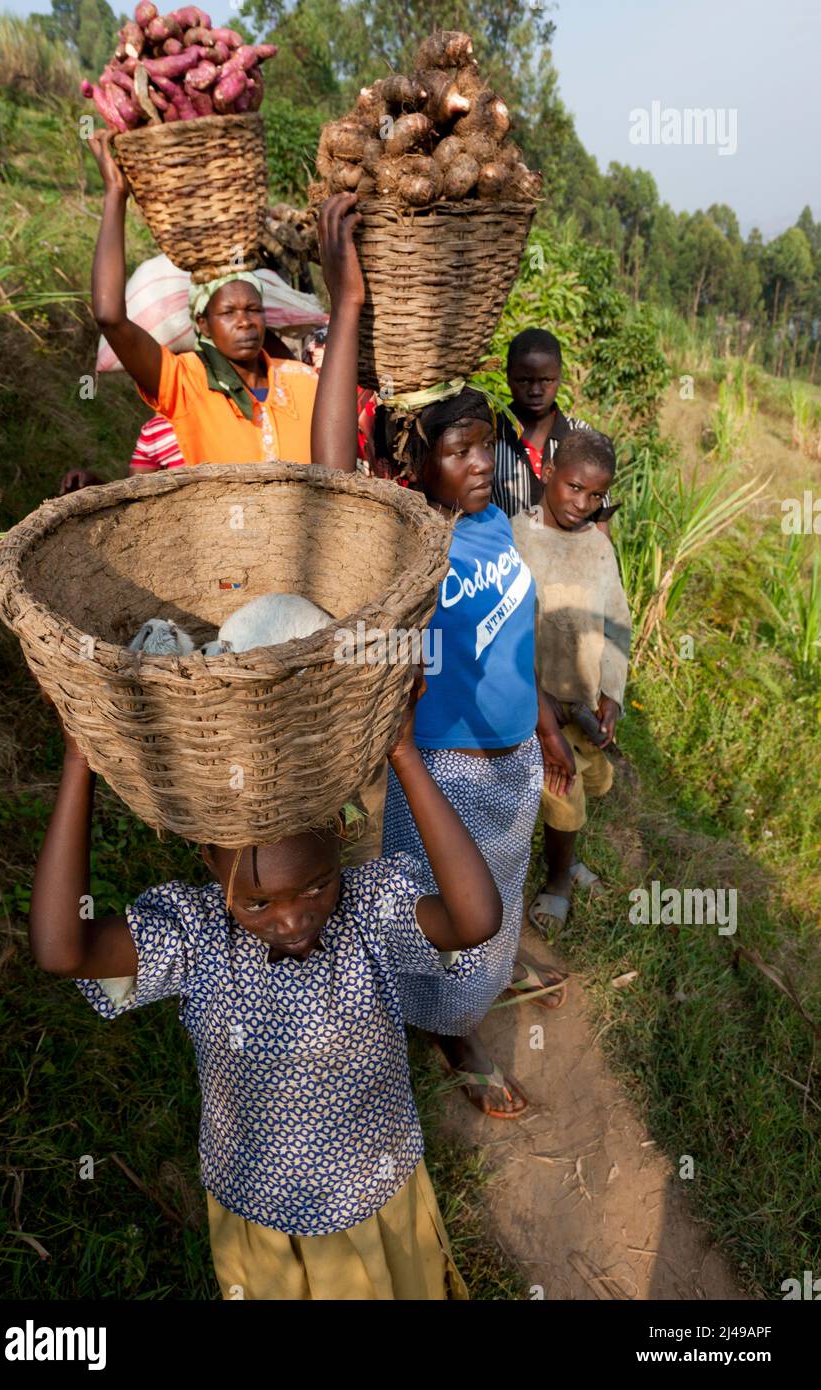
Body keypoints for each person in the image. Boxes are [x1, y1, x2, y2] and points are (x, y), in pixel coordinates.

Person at [28, 679, 503, 1301]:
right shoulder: (194, 936)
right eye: (256, 902)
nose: (293, 919)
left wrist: (405, 756)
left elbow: (476, 920)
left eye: (315, 887)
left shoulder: (368, 910)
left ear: (339, 841)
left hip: (375, 1185)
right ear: (207, 861)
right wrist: (77, 764)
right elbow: (64, 951)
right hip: (259, 1201)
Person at [312, 193, 577, 1120]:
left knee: (490, 904)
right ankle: (439, 1029)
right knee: (440, 920)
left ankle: (462, 1004)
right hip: (446, 774)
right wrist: (349, 307)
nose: (477, 466)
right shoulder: (408, 538)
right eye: (457, 453)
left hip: (508, 769)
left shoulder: (497, 523)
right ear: (415, 467)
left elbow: (516, 630)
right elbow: (329, 478)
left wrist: (544, 719)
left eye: (483, 449)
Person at [83, 130, 339, 478]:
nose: (246, 322)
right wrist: (115, 195)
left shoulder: (303, 381)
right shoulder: (184, 383)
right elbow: (110, 317)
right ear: (202, 323)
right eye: (228, 313)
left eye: (253, 310)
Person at [511, 430, 632, 934]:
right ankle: (557, 879)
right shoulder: (518, 536)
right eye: (574, 488)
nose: (582, 504)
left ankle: (568, 858)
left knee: (584, 786)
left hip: (581, 705)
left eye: (595, 496)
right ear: (546, 474)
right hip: (531, 706)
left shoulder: (598, 550)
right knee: (561, 796)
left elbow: (616, 622)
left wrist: (611, 696)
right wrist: (540, 710)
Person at [493, 328, 613, 534]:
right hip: (506, 561)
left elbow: (600, 519)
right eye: (524, 380)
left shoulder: (581, 436)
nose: (535, 391)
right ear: (508, 377)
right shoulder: (490, 436)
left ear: (559, 376)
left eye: (546, 380)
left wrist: (603, 562)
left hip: (569, 559)